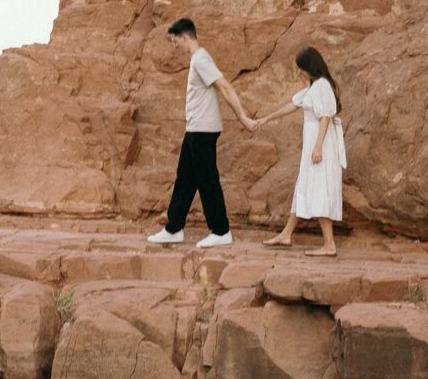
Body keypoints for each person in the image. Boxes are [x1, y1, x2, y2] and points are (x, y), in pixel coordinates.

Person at [147, 17, 258, 249]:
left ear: (185, 37)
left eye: (175, 41)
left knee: (207, 180)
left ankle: (221, 230)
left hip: (203, 131)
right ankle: (173, 228)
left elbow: (225, 87)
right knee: (185, 179)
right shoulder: (197, 59)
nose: (175, 45)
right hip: (195, 129)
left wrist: (242, 117)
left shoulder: (201, 59)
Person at [256, 46, 347, 257]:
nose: (299, 72)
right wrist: (266, 119)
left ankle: (329, 245)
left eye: (301, 69)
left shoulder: (322, 86)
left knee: (319, 188)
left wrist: (317, 146)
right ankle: (286, 234)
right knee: (304, 186)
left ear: (310, 67)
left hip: (321, 143)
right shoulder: (314, 87)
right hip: (314, 141)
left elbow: (325, 116)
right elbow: (293, 105)